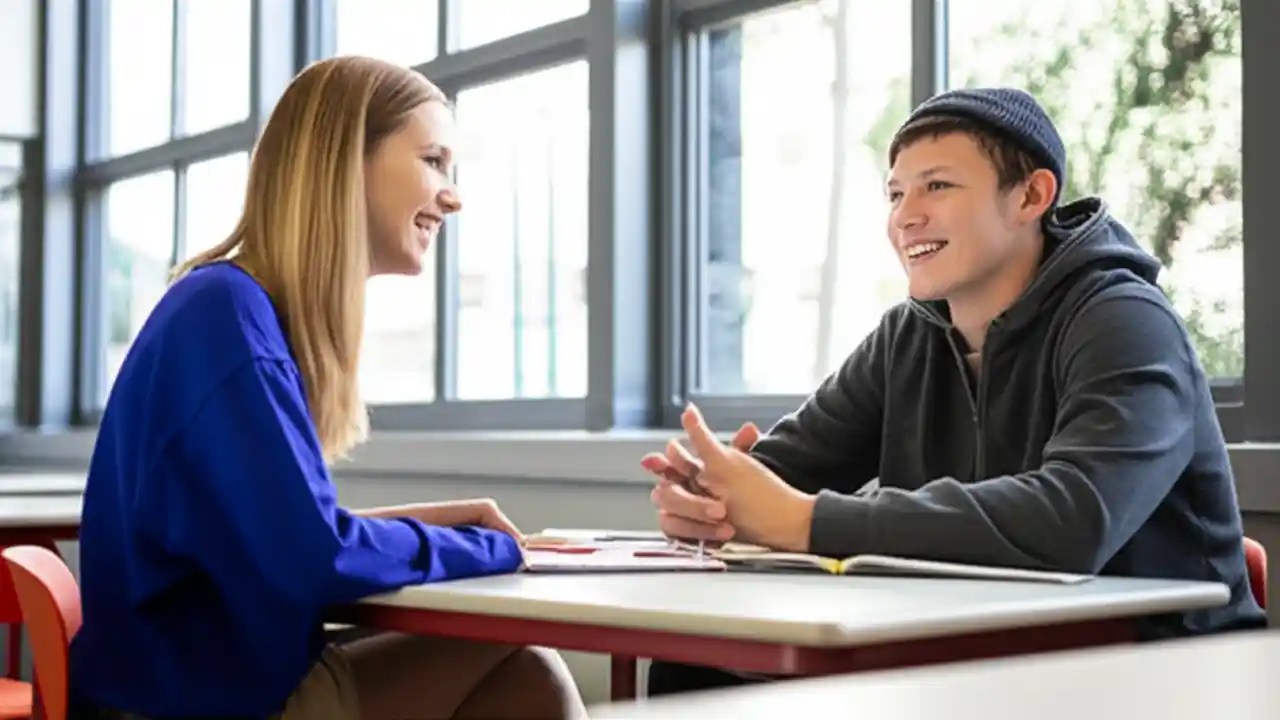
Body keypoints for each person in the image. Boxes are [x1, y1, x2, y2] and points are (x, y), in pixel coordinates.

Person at [642, 87, 1268, 696]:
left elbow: (1074, 520)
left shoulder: (1125, 320)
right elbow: (782, 474)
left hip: (1158, 673)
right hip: (979, 659)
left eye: (937, 186)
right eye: (895, 194)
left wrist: (804, 520)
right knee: (697, 664)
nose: (905, 215)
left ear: (1031, 195)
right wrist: (712, 498)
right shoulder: (907, 336)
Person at [69, 56, 587, 719]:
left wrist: (423, 526)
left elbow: (274, 537)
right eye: (433, 161)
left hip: (190, 686)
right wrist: (497, 548)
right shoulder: (226, 316)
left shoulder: (227, 306)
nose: (453, 197)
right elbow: (311, 559)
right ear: (346, 163)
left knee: (527, 672)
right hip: (198, 704)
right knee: (527, 665)